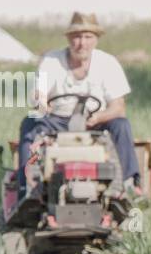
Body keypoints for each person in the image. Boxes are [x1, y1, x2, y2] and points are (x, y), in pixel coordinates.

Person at [16, 12, 141, 199]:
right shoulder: (51, 61)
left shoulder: (108, 63)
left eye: (88, 37)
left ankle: (129, 184)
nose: (82, 43)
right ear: (68, 38)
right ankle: (28, 187)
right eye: (76, 37)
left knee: (121, 124)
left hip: (95, 121)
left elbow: (118, 106)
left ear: (96, 40)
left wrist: (99, 117)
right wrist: (42, 105)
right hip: (57, 120)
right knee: (30, 123)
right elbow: (38, 94)